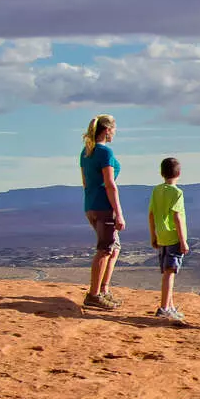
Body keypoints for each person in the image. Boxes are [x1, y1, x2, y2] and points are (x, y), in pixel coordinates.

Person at [79, 114, 124, 310]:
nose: (114, 133)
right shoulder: (105, 152)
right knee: (105, 249)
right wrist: (119, 213)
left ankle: (103, 289)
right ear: (107, 130)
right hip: (104, 206)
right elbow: (110, 185)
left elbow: (85, 182)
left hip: (91, 205)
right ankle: (94, 294)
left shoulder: (86, 152)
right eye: (113, 129)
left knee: (113, 248)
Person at [148, 157, 189, 324]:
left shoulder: (156, 191)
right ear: (179, 173)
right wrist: (183, 240)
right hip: (173, 237)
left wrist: (153, 235)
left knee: (167, 272)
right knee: (170, 273)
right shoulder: (177, 193)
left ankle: (170, 307)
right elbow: (177, 216)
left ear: (161, 173)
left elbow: (151, 215)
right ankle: (164, 308)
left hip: (161, 236)